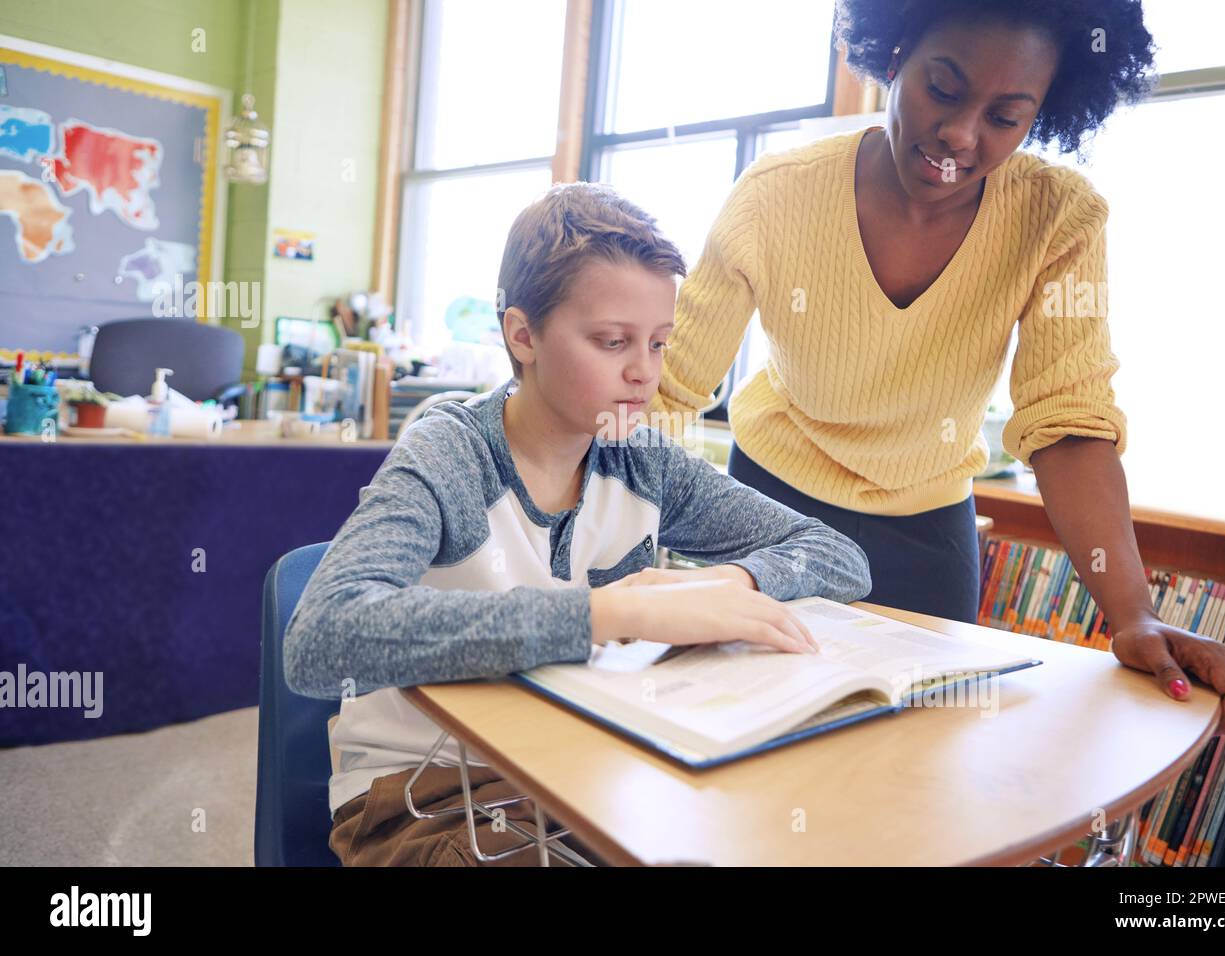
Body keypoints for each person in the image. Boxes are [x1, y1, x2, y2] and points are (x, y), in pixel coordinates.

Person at [649, 0, 1225, 736]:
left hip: (925, 535)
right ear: (896, 53)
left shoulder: (1058, 219)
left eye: (1006, 115)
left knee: (910, 778)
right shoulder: (775, 196)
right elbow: (668, 387)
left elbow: (1067, 422)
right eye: (944, 87)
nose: (961, 135)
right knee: (750, 750)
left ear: (1046, 111)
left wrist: (1133, 615)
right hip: (771, 514)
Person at [283, 181, 872, 866]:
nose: (643, 375)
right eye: (612, 341)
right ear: (522, 334)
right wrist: (606, 614)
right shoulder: (449, 452)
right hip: (430, 797)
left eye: (658, 343)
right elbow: (321, 641)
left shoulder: (642, 459)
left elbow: (836, 555)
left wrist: (723, 582)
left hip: (591, 771)